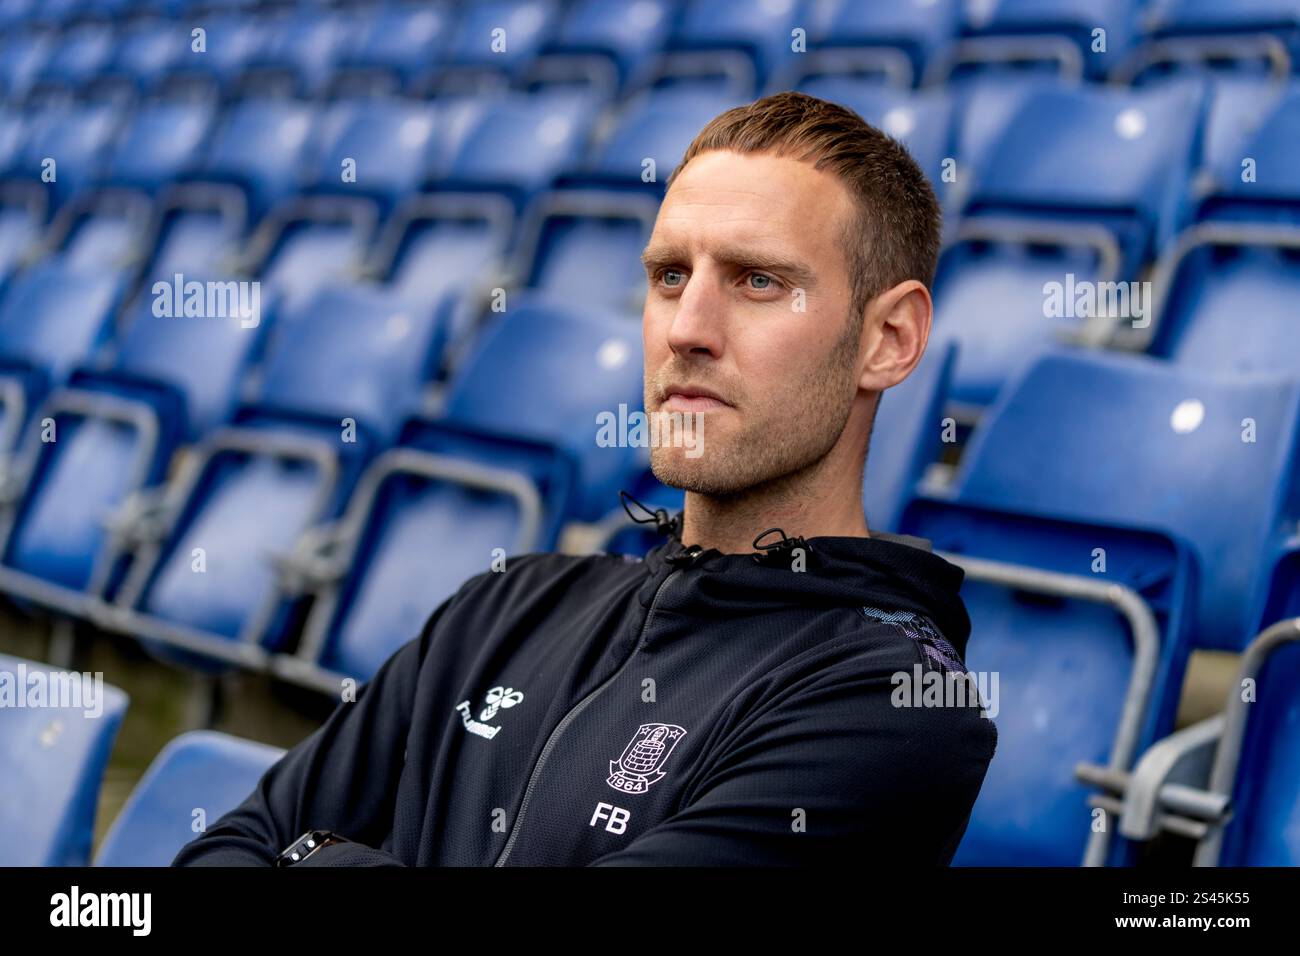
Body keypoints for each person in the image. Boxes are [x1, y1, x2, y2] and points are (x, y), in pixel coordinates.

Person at [174, 91, 997, 867]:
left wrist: (314, 857)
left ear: (889, 338)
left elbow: (277, 848)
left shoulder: (896, 702)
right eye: (670, 275)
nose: (687, 329)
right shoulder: (505, 605)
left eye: (758, 281)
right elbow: (228, 845)